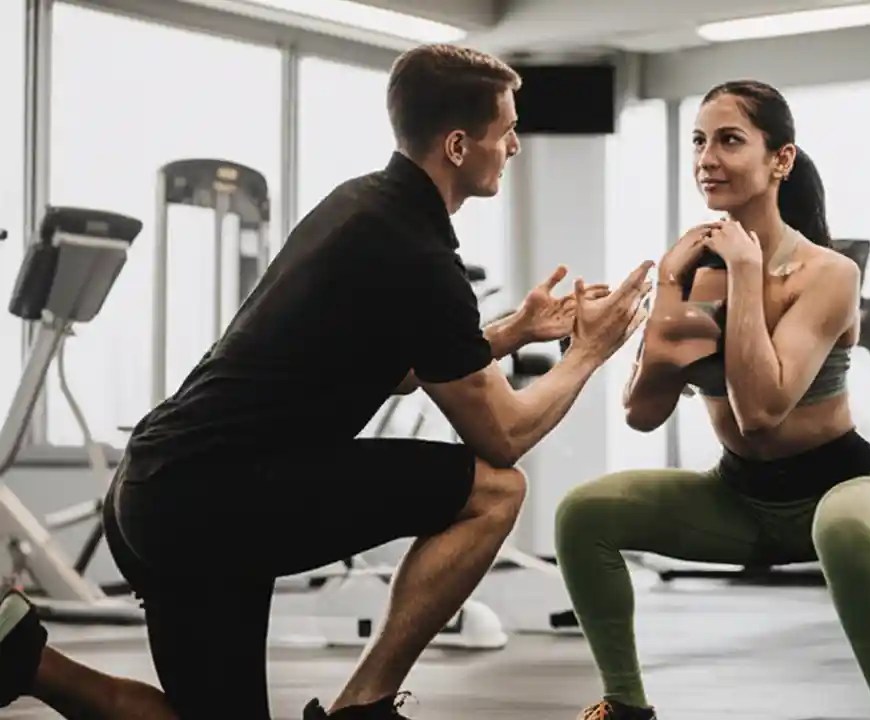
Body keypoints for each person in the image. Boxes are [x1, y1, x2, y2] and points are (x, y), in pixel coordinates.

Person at [0, 43, 652, 720]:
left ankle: (26, 661)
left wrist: (513, 329)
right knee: (494, 492)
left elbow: (394, 369)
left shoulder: (362, 206)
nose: (515, 146)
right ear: (458, 145)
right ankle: (363, 708)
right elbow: (504, 433)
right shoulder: (419, 254)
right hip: (216, 496)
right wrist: (590, 351)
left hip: (155, 488)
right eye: (507, 131)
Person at [554, 79, 870, 720]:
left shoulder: (829, 274)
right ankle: (625, 706)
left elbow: (762, 410)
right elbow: (644, 414)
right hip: (741, 499)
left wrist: (745, 277)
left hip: (849, 489)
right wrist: (669, 287)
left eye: (729, 140)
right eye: (699, 141)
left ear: (780, 159)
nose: (706, 158)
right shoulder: (694, 269)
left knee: (844, 528)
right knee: (584, 514)